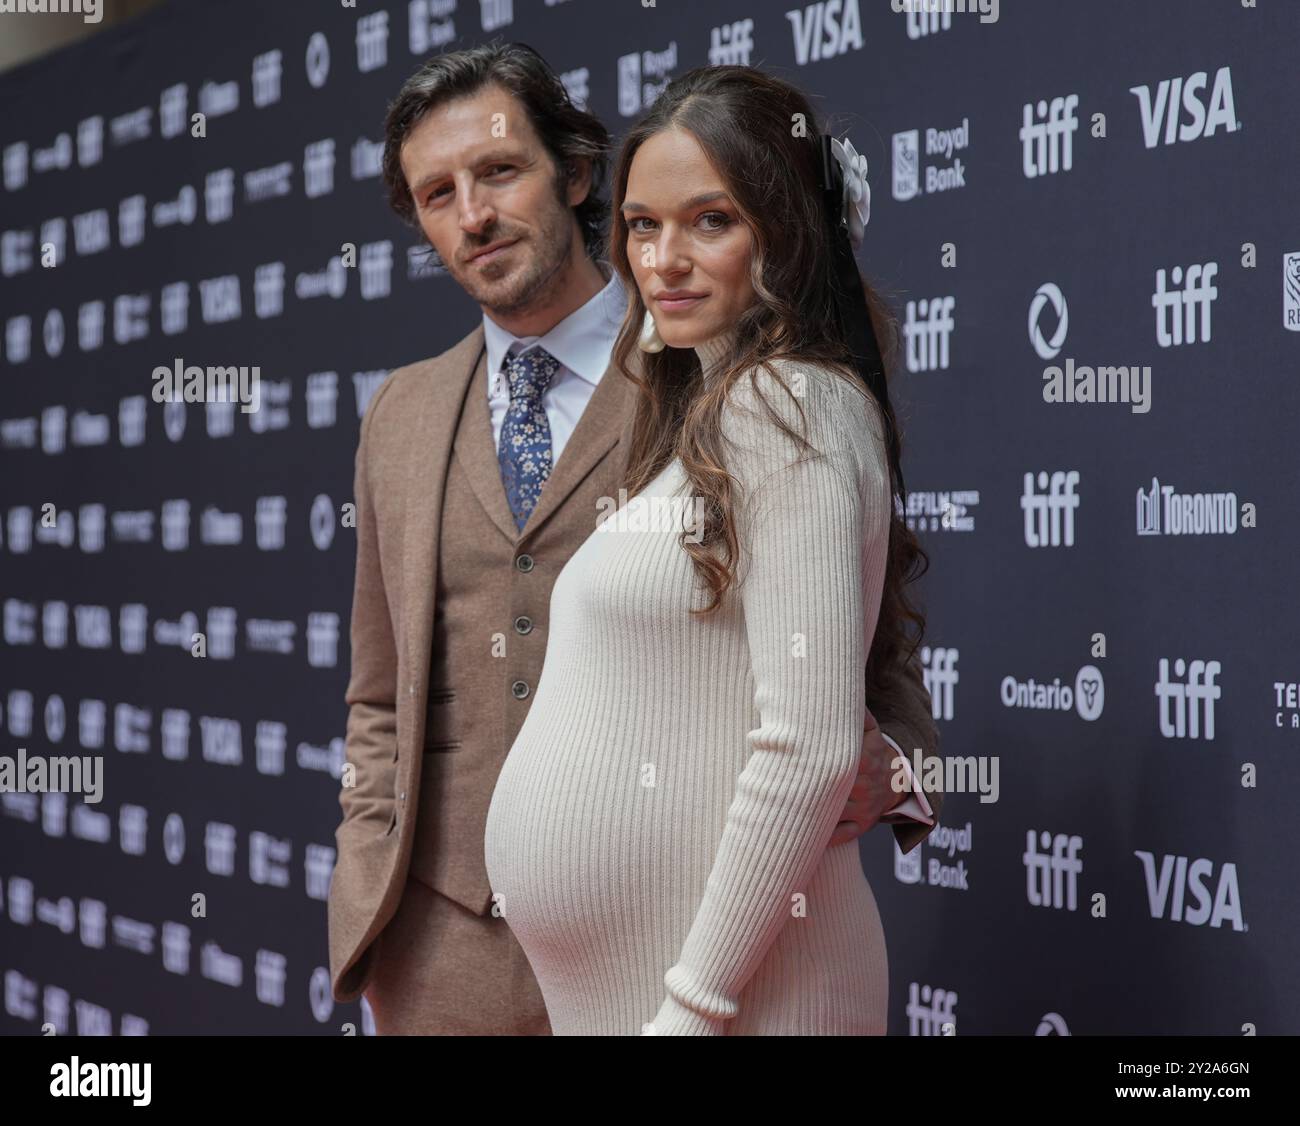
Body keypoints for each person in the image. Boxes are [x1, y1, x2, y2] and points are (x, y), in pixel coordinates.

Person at [328, 43, 941, 1036]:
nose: (472, 213)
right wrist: (368, 895)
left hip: (686, 946)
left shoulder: (713, 363)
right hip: (440, 954)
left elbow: (859, 643)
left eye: (496, 171)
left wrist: (898, 766)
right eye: (436, 194)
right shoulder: (399, 414)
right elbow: (377, 690)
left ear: (574, 174)